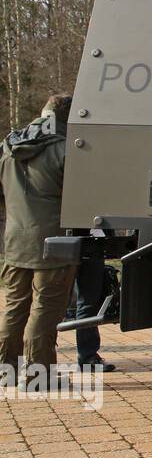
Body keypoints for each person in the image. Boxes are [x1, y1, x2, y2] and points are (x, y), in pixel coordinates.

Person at [0, 95, 79, 387]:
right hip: (53, 243)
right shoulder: (64, 151)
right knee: (45, 307)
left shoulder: (8, 148)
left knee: (14, 306)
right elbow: (80, 200)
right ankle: (38, 374)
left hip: (14, 241)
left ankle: (5, 370)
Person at [66, 251, 116, 371]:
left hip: (92, 247)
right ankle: (42, 358)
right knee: (51, 306)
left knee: (89, 303)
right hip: (70, 245)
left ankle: (88, 356)